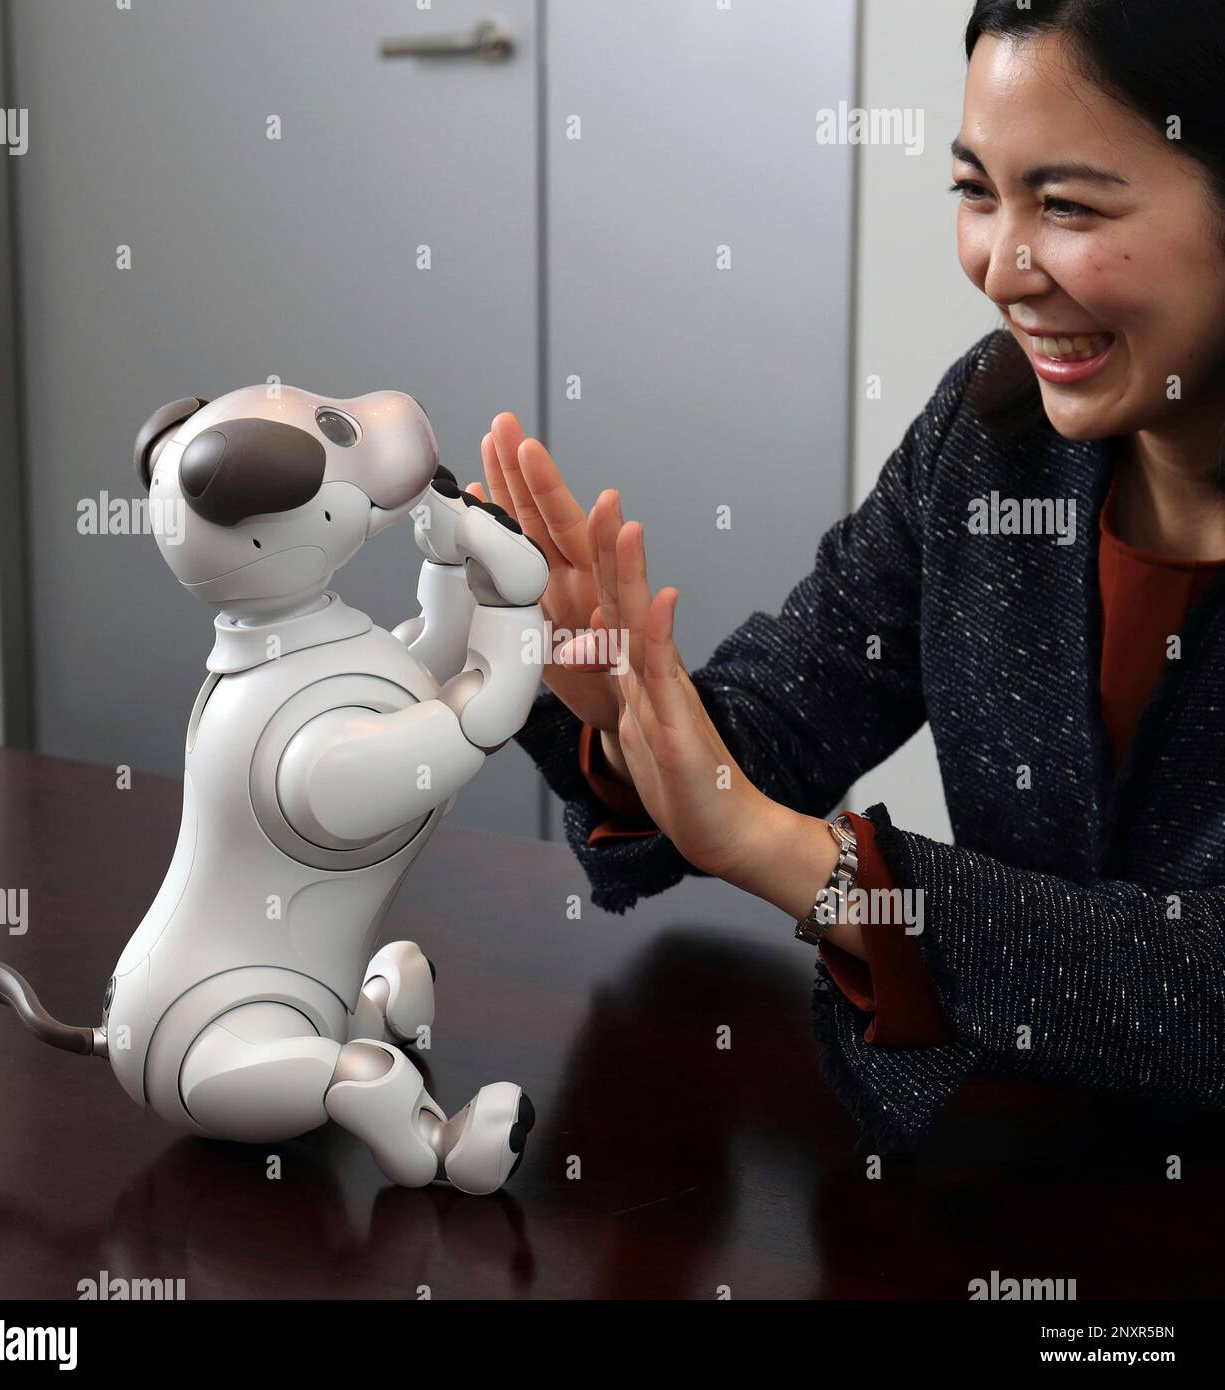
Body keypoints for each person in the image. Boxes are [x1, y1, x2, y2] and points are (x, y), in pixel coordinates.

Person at [466, 0, 1225, 1152]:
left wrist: (785, 853)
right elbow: (796, 700)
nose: (1002, 270)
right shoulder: (992, 430)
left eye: (1066, 205)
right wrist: (633, 719)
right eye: (977, 192)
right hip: (1004, 1167)